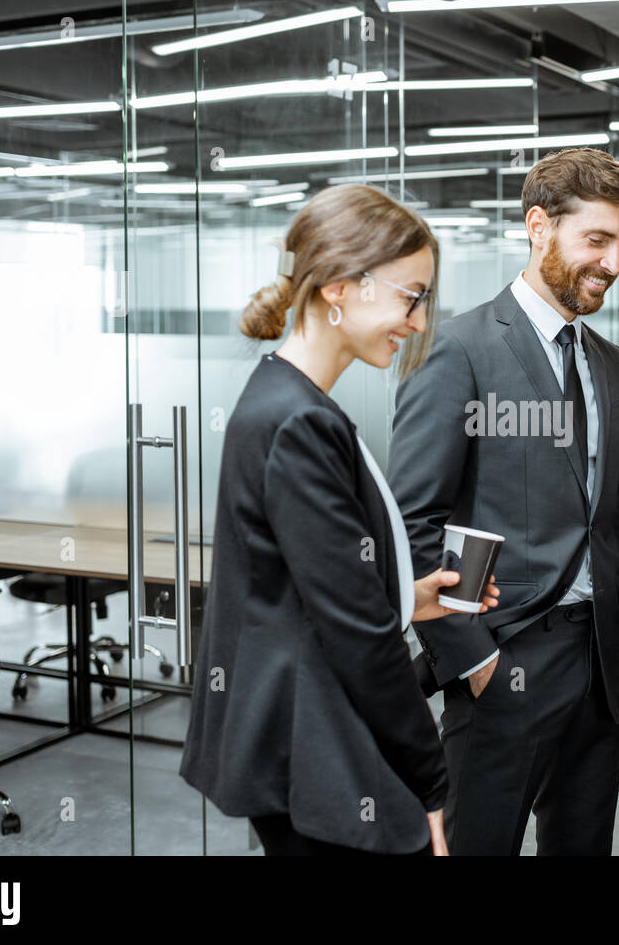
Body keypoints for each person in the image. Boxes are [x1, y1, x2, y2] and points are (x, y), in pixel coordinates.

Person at [179, 184, 497, 856]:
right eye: (412, 294)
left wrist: (405, 599)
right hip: (309, 744)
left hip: (293, 732)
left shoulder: (285, 400)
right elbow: (356, 636)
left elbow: (301, 589)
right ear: (340, 287)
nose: (417, 321)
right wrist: (431, 782)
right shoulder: (298, 421)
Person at [388, 147, 619, 856]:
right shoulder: (460, 350)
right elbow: (417, 521)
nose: (613, 263)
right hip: (502, 658)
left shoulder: (609, 362)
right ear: (539, 227)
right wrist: (470, 657)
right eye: (596, 240)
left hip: (598, 663)